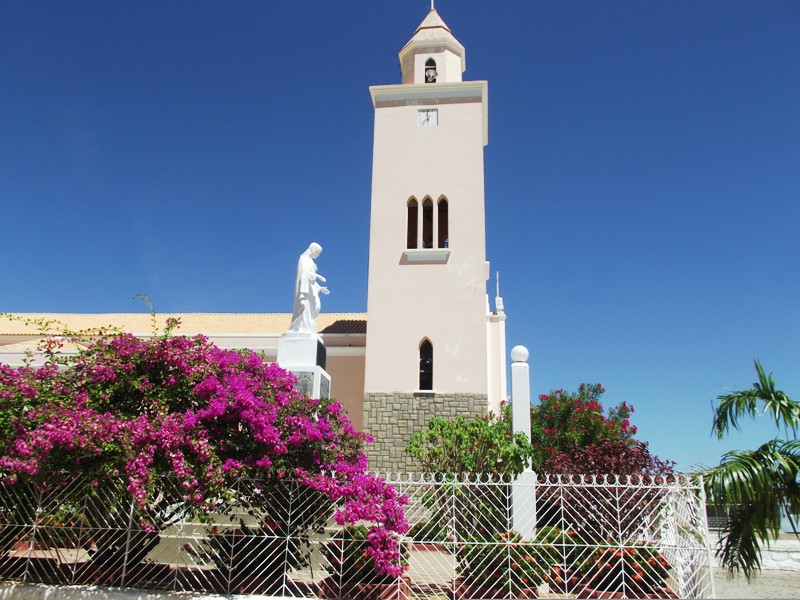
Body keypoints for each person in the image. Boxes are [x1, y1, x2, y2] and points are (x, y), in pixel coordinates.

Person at [289, 242, 329, 334]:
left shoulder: (310, 261)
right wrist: (318, 276)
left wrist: (320, 288)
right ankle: (301, 327)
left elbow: (311, 280)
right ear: (313, 250)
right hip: (305, 290)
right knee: (305, 308)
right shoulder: (303, 259)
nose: (318, 255)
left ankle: (308, 328)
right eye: (318, 253)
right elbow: (304, 274)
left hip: (310, 289)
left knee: (316, 307)